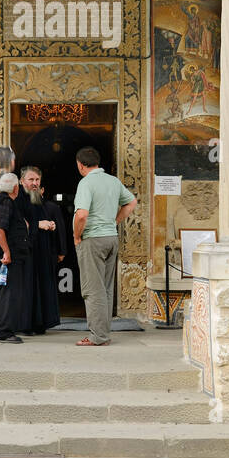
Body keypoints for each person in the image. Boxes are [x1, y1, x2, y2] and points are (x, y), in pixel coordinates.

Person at [71, 147, 137, 347]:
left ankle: (97, 336)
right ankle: (103, 333)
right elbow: (131, 202)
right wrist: (114, 222)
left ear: (81, 165)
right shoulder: (113, 181)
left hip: (93, 240)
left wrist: (76, 236)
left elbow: (81, 214)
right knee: (106, 288)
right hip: (111, 238)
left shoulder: (86, 182)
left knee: (92, 289)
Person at [0, 172, 30, 344]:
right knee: (9, 293)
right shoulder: (6, 202)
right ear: (16, 188)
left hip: (1, 258)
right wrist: (7, 252)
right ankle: (4, 332)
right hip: (8, 259)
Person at [16, 166, 65, 335]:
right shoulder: (17, 200)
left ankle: (39, 324)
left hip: (42, 252)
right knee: (28, 288)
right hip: (26, 253)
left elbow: (41, 219)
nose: (35, 183)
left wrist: (50, 225)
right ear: (22, 181)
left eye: (37, 180)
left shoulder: (39, 200)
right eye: (31, 180)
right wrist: (39, 225)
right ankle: (26, 325)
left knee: (41, 287)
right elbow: (15, 224)